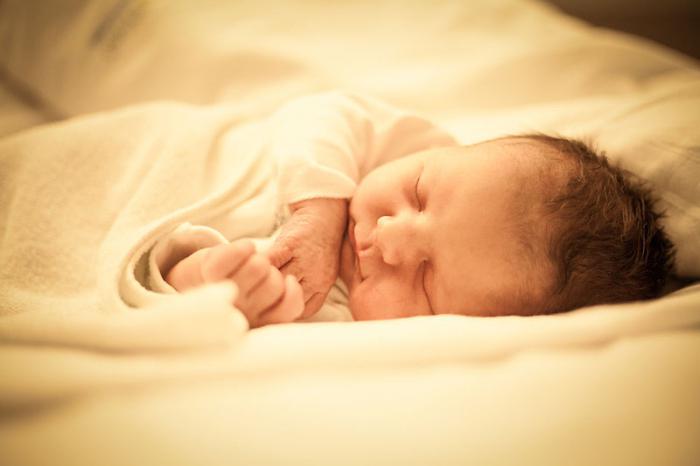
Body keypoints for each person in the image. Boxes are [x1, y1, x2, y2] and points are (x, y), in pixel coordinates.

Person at [153, 92, 675, 328]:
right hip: (170, 151)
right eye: (421, 193)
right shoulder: (403, 144)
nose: (391, 238)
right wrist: (319, 210)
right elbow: (321, 111)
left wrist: (217, 287)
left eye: (426, 280)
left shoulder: (339, 320)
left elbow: (156, 280)